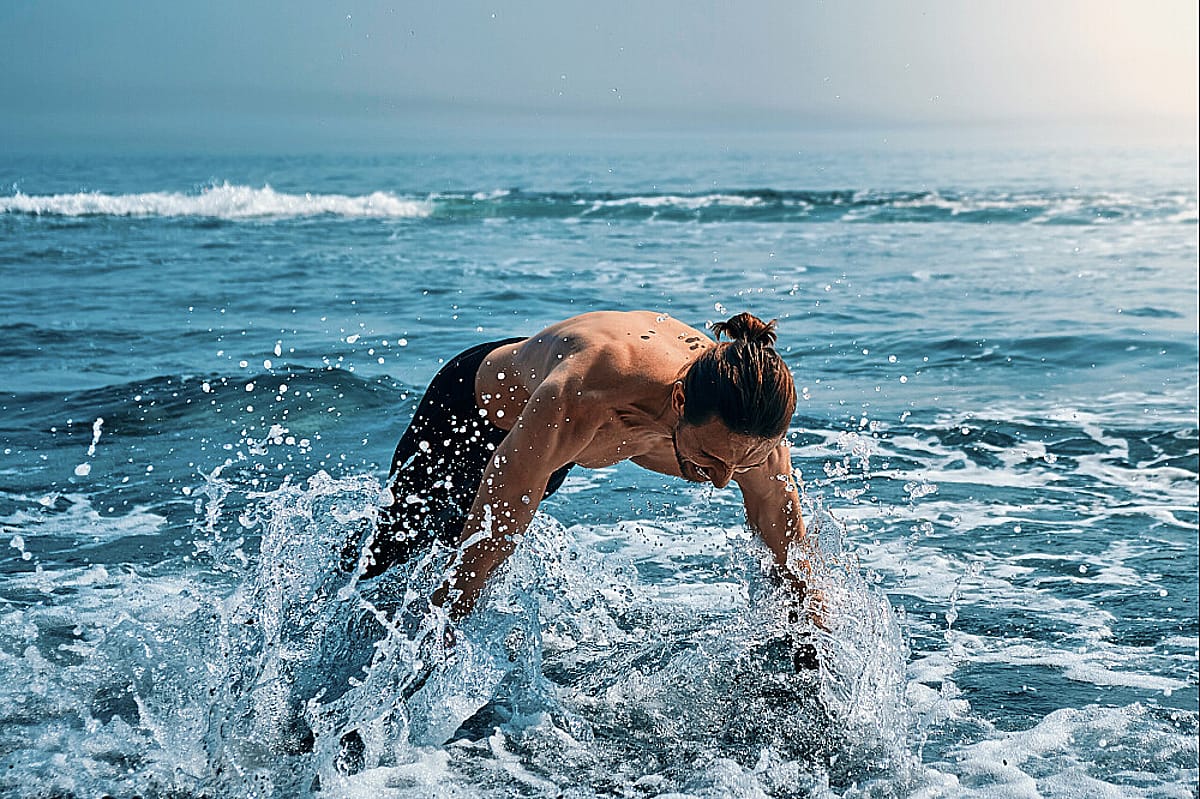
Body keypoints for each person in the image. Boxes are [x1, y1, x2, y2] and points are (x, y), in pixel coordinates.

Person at [367, 310, 815, 622]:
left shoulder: (749, 431)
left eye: (742, 463)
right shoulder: (589, 392)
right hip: (473, 418)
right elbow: (494, 532)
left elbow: (789, 555)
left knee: (449, 563)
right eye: (714, 460)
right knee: (388, 566)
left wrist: (809, 637)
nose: (721, 481)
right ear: (679, 402)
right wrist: (443, 630)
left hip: (559, 445)